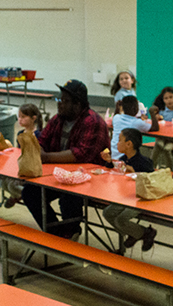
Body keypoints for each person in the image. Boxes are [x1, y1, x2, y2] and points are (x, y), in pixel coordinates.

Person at [21, 79, 109, 240]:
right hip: (60, 175)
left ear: (78, 104)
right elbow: (41, 141)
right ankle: (57, 234)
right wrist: (39, 151)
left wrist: (45, 157)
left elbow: (81, 154)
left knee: (68, 197)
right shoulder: (58, 119)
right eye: (59, 99)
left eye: (64, 101)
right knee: (30, 192)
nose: (59, 104)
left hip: (89, 178)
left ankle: (71, 230)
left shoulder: (93, 122)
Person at [102, 129, 158, 252]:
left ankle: (145, 233)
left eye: (119, 140)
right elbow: (115, 170)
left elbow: (152, 180)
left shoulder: (144, 162)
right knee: (107, 213)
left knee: (121, 219)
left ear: (129, 144)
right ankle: (137, 233)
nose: (116, 143)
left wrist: (135, 172)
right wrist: (109, 162)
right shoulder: (123, 159)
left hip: (141, 199)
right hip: (126, 196)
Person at [2, 103, 42, 210]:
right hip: (21, 165)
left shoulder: (38, 135)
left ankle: (19, 196)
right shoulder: (20, 133)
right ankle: (16, 196)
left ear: (33, 118)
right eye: (19, 117)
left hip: (31, 168)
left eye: (23, 117)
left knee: (12, 185)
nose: (20, 119)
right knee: (2, 181)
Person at [110, 95, 159, 161]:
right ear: (136, 108)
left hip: (113, 155)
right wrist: (152, 113)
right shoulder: (137, 123)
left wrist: (117, 108)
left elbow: (116, 115)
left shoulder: (116, 118)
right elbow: (155, 128)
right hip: (126, 157)